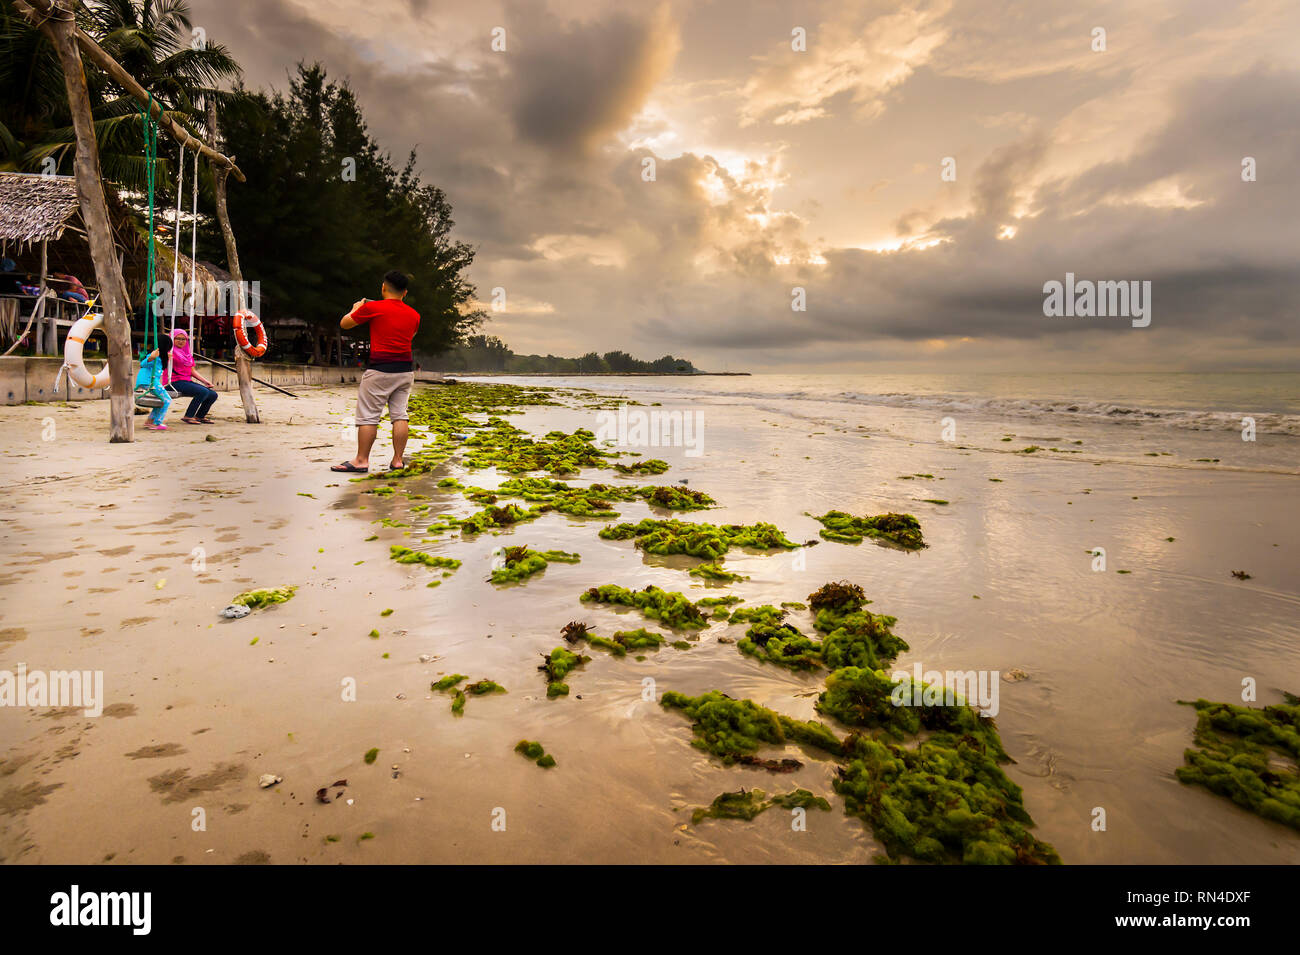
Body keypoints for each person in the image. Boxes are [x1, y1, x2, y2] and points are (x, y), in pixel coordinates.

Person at [332, 270, 420, 473]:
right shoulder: (415, 315)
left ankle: (361, 460)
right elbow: (411, 335)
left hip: (380, 369)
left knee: (369, 416)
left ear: (383, 287)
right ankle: (397, 460)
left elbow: (345, 324)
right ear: (405, 293)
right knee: (400, 414)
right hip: (405, 371)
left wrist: (355, 308)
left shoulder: (372, 307)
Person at [166, 327, 218, 424]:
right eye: (178, 338)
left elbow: (191, 371)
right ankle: (188, 416)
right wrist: (165, 355)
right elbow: (160, 359)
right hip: (174, 382)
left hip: (186, 381)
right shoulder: (169, 352)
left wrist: (205, 381)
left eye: (183, 339)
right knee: (202, 392)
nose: (181, 341)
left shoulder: (187, 354)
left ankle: (199, 416)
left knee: (213, 395)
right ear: (172, 339)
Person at [136, 334, 172, 431]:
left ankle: (149, 421)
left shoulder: (160, 356)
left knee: (161, 400)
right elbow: (142, 364)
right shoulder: (154, 355)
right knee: (167, 400)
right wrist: (150, 358)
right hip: (149, 381)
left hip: (150, 381)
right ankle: (157, 423)